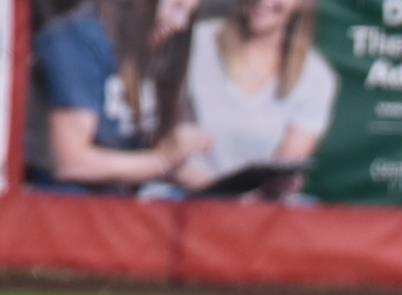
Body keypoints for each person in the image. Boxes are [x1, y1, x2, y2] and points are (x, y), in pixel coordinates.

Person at [26, 0, 212, 192]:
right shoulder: (80, 38)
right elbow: (71, 161)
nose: (180, 23)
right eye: (176, 6)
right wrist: (163, 160)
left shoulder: (153, 50)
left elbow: (151, 159)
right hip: (63, 202)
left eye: (189, 14)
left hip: (119, 201)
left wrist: (223, 192)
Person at [178, 0, 338, 194]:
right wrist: (226, 196)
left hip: (256, 208)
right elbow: (164, 153)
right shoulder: (192, 44)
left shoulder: (316, 76)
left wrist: (274, 190)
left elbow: (286, 164)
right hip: (181, 196)